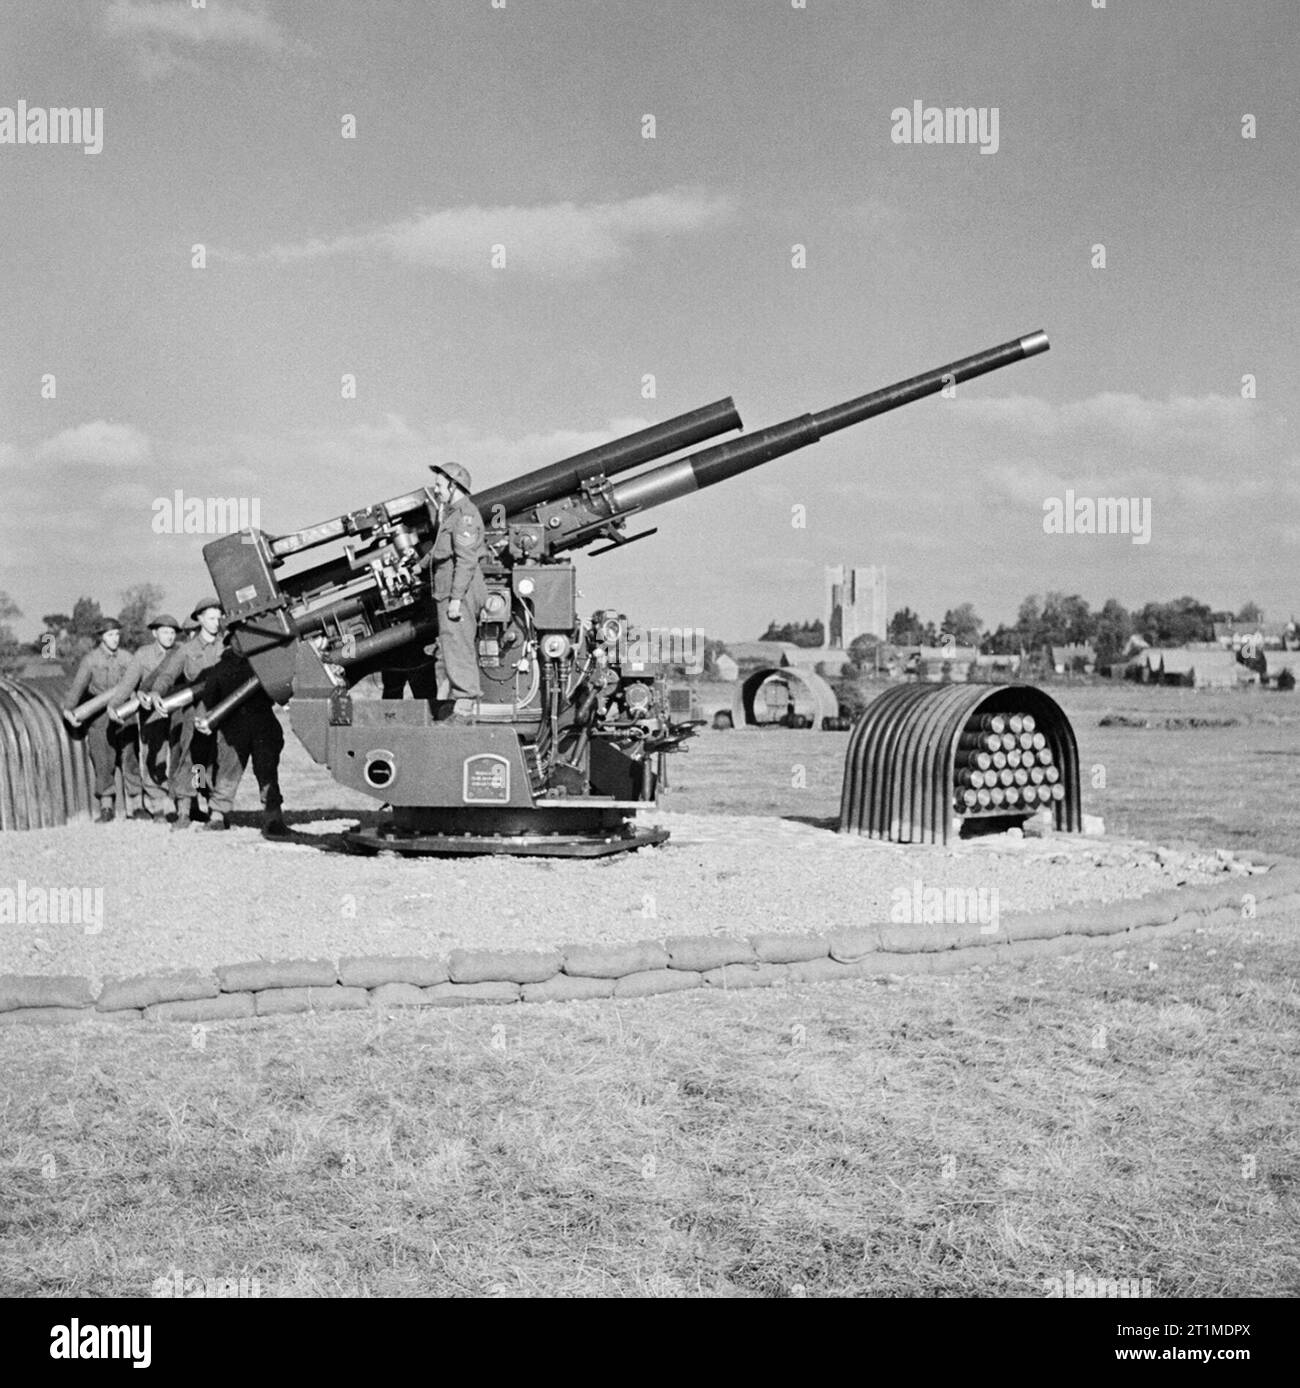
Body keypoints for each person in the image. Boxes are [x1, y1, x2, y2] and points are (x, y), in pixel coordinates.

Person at [147, 598, 225, 831]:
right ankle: (184, 812)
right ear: (199, 619)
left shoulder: (226, 646)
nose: (216, 622)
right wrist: (156, 693)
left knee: (212, 762)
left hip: (221, 711)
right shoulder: (186, 650)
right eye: (211, 618)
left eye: (218, 618)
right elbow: (167, 675)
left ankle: (215, 813)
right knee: (188, 760)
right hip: (194, 712)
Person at [421, 460, 487, 722]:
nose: (436, 490)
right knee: (451, 643)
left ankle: (464, 704)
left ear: (453, 485)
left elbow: (466, 560)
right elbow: (441, 550)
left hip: (460, 590)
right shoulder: (452, 514)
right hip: (449, 589)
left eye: (439, 485)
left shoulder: (466, 517)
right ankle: (461, 701)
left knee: (458, 643)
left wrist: (456, 600)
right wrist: (419, 566)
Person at [199, 648, 287, 837]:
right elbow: (208, 700)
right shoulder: (220, 668)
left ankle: (273, 817)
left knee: (267, 771)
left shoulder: (264, 661)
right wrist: (203, 720)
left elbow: (280, 693)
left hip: (262, 723)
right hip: (232, 728)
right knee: (228, 771)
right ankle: (217, 814)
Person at [106, 612, 181, 821]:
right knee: (154, 756)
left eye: (173, 632)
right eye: (165, 632)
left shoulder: (181, 652)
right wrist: (114, 704)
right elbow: (128, 683)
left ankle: (186, 802)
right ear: (155, 633)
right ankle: (157, 803)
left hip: (178, 710)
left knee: (183, 756)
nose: (170, 636)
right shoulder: (143, 654)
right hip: (152, 712)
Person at [61, 616, 136, 822]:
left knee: (130, 756)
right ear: (101, 637)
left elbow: (139, 679)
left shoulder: (127, 658)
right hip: (99, 714)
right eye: (110, 635)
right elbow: (78, 687)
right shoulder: (91, 660)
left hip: (124, 711)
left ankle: (137, 806)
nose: (115, 639)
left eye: (117, 634)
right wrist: (68, 709)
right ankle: (106, 807)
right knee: (103, 759)